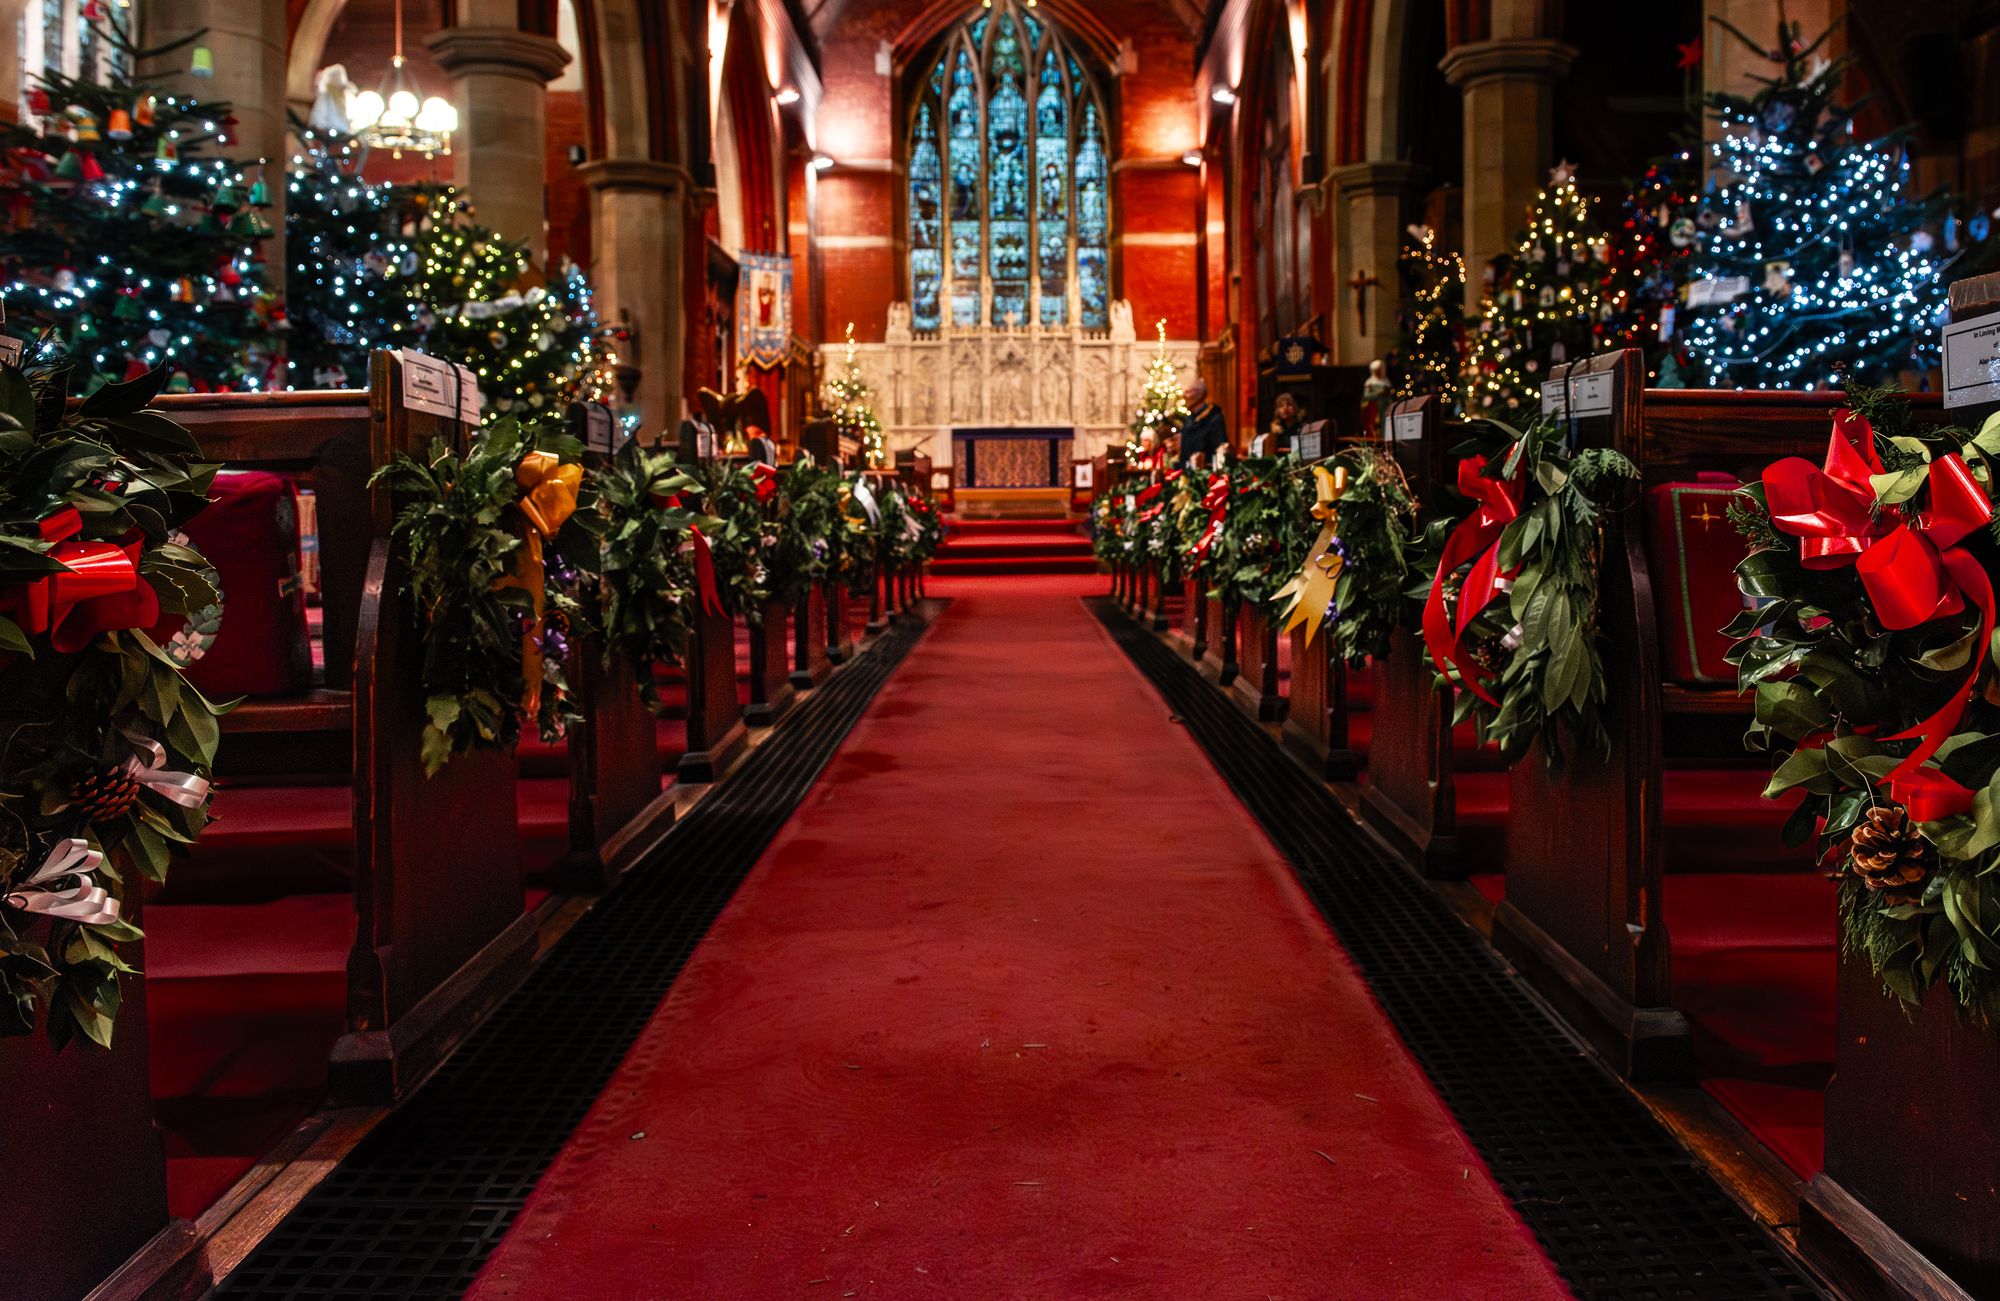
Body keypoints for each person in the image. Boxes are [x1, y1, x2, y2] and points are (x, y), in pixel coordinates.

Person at [1178, 379, 1227, 468]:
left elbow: (1219, 448)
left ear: (1199, 394)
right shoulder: (1189, 418)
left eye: (1188, 392)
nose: (1184, 396)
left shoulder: (1213, 417)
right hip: (1188, 469)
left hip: (1207, 470)